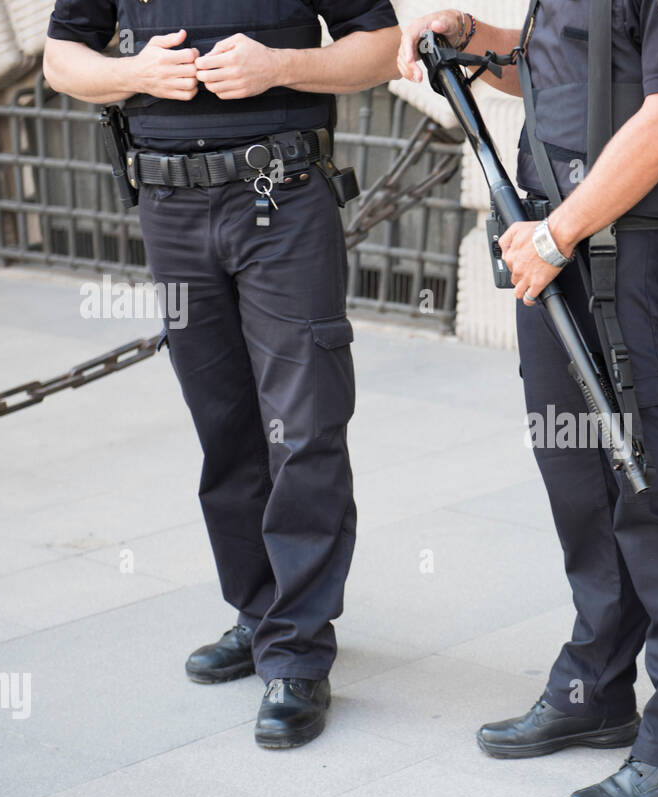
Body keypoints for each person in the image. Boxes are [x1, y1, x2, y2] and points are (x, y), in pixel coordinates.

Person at [398, 0, 658, 797]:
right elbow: (563, 72)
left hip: (626, 255)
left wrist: (557, 233)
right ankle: (596, 688)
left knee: (655, 488)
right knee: (580, 482)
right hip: (552, 247)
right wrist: (475, 41)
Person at [44, 0, 401, 748]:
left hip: (282, 197)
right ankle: (260, 613)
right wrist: (133, 74)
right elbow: (60, 59)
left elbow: (381, 46)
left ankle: (299, 653)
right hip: (170, 207)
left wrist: (281, 66)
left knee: (303, 428)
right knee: (226, 426)